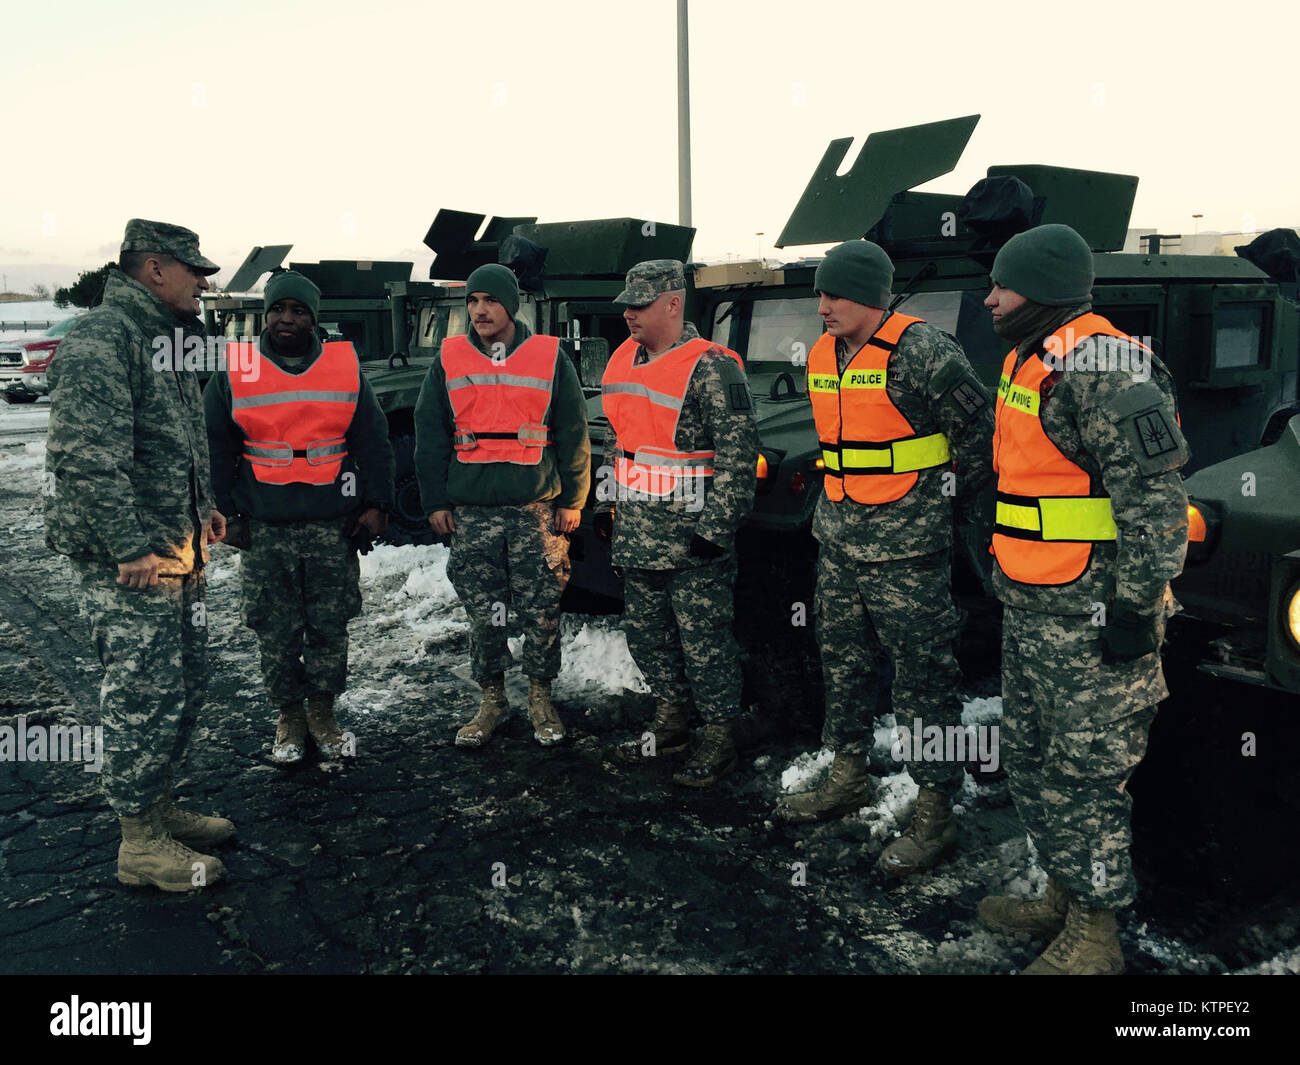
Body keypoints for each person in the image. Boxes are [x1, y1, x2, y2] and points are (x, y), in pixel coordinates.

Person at [976, 224, 1189, 975]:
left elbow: (1156, 499)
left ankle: (1095, 934)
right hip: (1035, 604)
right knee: (1034, 762)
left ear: (1041, 289)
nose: (991, 297)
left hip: (1095, 615)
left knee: (1087, 775)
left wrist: (1135, 606)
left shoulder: (1108, 366)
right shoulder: (1030, 359)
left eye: (1003, 285)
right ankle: (1067, 895)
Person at [775, 241, 994, 883]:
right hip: (839, 537)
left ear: (871, 295)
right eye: (819, 295)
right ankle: (847, 775)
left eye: (835, 295)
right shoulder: (822, 354)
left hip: (907, 545)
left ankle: (934, 810)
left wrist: (939, 507)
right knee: (841, 658)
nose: (822, 308)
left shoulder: (926, 351)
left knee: (924, 673)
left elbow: (978, 441)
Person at [44, 219, 232, 892]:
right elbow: (87, 463)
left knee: (182, 687)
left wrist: (203, 502)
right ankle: (139, 842)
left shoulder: (163, 341)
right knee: (142, 694)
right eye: (195, 271)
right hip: (134, 562)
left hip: (174, 549)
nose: (204, 283)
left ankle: (159, 805)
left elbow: (178, 438)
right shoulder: (104, 339)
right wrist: (128, 545)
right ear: (154, 269)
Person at [204, 270, 394, 764]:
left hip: (332, 526)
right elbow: (214, 447)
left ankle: (324, 714)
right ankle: (288, 716)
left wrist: (377, 504)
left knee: (329, 626)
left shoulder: (342, 366)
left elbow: (372, 441)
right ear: (266, 314)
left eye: (299, 311)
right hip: (264, 527)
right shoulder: (236, 367)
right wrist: (225, 514)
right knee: (275, 627)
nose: (287, 319)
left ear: (313, 317)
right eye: (279, 309)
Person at [414, 264, 590, 747]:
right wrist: (436, 500)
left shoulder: (549, 357)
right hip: (472, 513)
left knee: (541, 608)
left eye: (490, 300)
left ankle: (539, 696)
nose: (480, 310)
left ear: (510, 305)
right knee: (483, 611)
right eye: (472, 301)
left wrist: (573, 499)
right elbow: (429, 434)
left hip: (536, 510)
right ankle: (491, 699)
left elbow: (574, 432)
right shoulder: (448, 359)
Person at [600, 259, 759, 787]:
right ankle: (670, 722)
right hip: (638, 533)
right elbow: (618, 440)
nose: (629, 313)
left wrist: (717, 531)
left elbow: (740, 457)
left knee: (705, 642)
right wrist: (607, 506)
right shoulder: (623, 360)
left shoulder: (714, 366)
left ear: (673, 303)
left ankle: (719, 736)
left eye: (640, 303)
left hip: (693, 541)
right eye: (626, 303)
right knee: (648, 636)